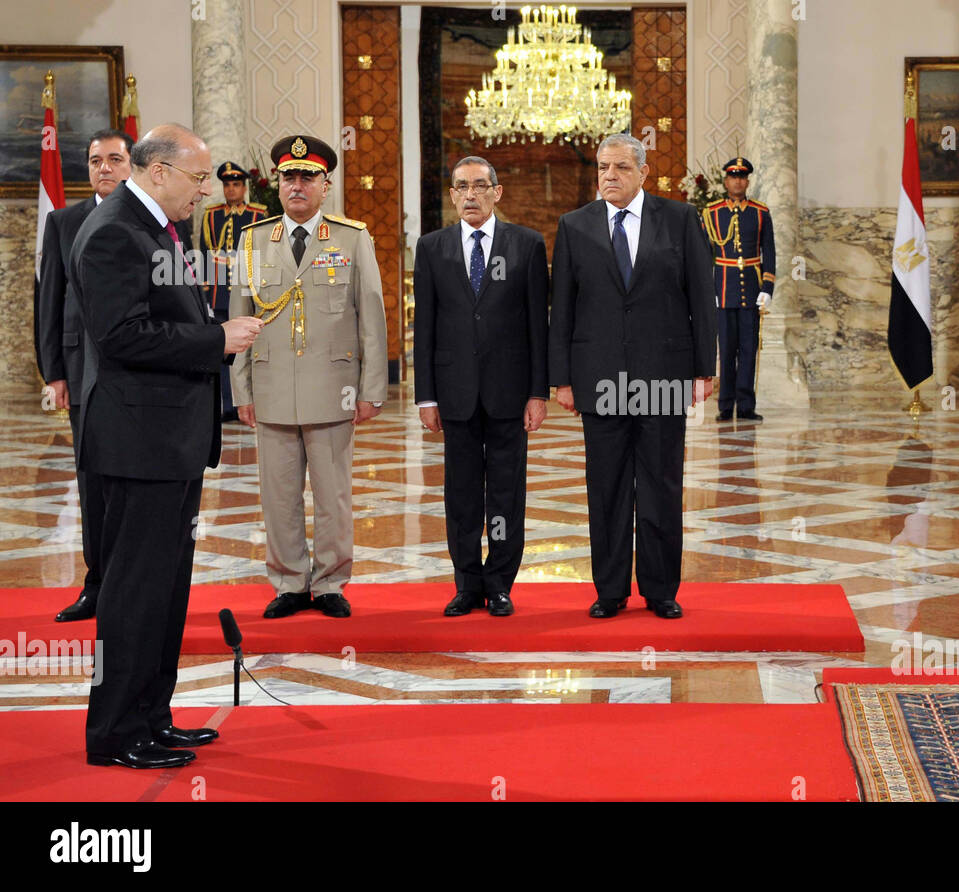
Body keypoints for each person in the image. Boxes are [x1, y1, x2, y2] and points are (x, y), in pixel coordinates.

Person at [73, 123, 262, 768]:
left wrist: (210, 327)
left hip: (167, 440)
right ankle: (117, 735)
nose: (206, 190)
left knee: (165, 589)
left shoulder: (155, 227)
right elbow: (123, 336)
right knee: (132, 592)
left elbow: (165, 315)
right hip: (137, 441)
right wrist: (217, 342)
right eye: (198, 177)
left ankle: (153, 718)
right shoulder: (114, 234)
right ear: (158, 171)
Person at [550, 132, 716, 619]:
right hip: (598, 378)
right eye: (603, 167)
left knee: (662, 484)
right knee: (607, 486)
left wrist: (704, 371)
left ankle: (661, 589)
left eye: (620, 168)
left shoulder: (681, 220)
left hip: (663, 376)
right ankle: (610, 590)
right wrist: (561, 379)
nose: (609, 177)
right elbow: (562, 308)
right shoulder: (575, 226)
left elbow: (701, 301)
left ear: (644, 173)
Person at [231, 134, 387, 620]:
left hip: (332, 387)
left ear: (326, 185)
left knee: (333, 495)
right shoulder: (253, 241)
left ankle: (331, 581)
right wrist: (241, 389)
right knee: (277, 494)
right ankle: (289, 582)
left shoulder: (351, 237)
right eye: (288, 177)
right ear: (277, 184)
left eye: (307, 177)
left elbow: (372, 318)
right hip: (273, 385)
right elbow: (238, 320)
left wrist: (372, 390)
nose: (296, 186)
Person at [413, 156, 549, 617]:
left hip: (510, 393)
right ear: (451, 195)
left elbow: (538, 326)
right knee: (461, 493)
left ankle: (500, 584)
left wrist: (538, 391)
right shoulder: (432, 248)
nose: (469, 195)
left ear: (497, 191)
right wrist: (425, 396)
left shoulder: (527, 246)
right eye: (460, 187)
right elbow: (425, 328)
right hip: (454, 393)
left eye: (478, 186)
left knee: (507, 493)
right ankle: (467, 582)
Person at [35, 128, 133, 623]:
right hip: (83, 373)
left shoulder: (152, 221)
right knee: (92, 479)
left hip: (138, 375)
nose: (105, 169)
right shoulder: (63, 222)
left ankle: (132, 584)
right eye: (96, 161)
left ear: (132, 165)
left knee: (134, 480)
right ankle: (96, 585)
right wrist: (54, 373)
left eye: (115, 159)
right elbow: (48, 301)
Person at [702, 157, 775, 422]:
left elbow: (769, 250)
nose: (738, 181)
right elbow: (704, 255)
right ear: (726, 181)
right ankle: (725, 406)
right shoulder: (712, 212)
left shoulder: (760, 212)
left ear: (747, 181)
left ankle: (745, 406)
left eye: (742, 177)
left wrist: (767, 286)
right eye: (733, 177)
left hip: (752, 289)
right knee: (727, 349)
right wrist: (708, 288)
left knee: (748, 349)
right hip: (723, 287)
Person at [200, 161, 267, 422]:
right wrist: (205, 290)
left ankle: (245, 401)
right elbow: (206, 251)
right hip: (218, 291)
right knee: (220, 347)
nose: (230, 190)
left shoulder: (257, 215)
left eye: (236, 185)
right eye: (227, 185)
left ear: (244, 188)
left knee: (246, 348)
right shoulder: (211, 214)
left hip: (247, 289)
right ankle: (225, 404)